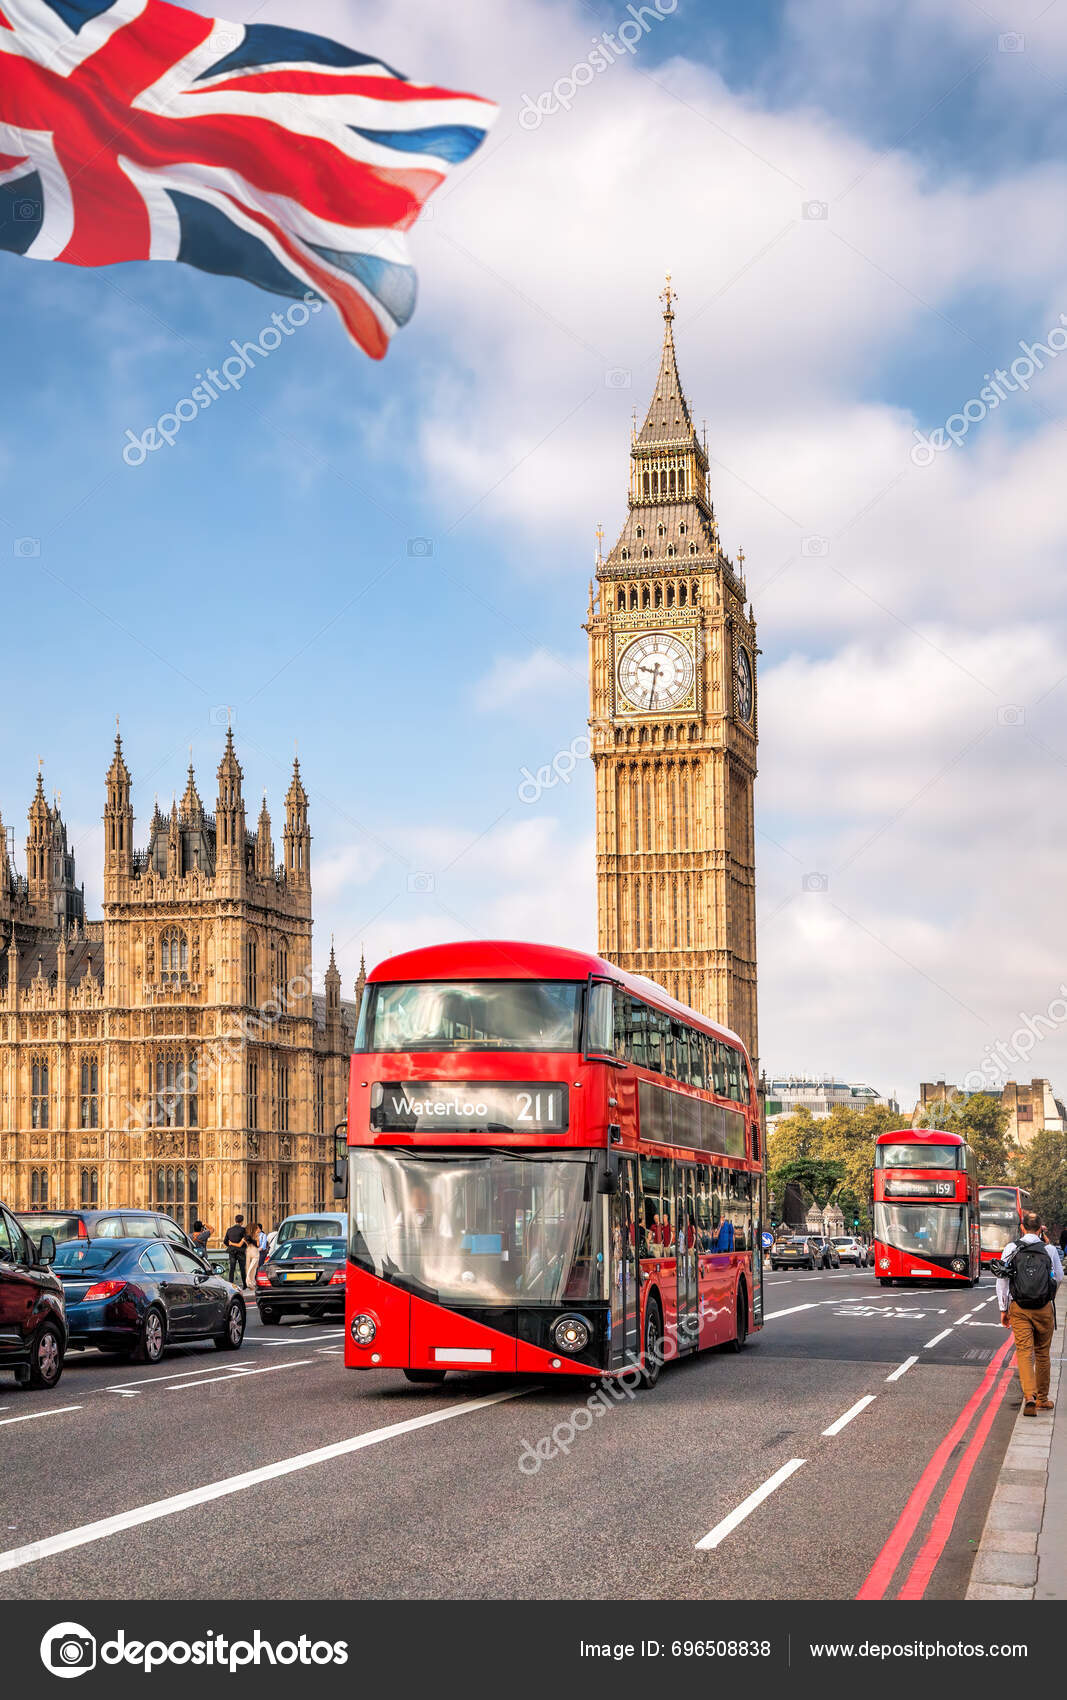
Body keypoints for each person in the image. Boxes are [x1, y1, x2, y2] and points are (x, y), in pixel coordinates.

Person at [997, 1209, 1059, 1415]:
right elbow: (1058, 1276)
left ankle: (1029, 1397)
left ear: (1022, 1227)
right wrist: (1048, 1296)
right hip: (1043, 1308)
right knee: (1042, 1353)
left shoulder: (1011, 1248)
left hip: (1020, 1308)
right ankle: (1042, 1399)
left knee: (1024, 1352)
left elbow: (1002, 1280)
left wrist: (1003, 1308)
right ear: (1041, 1229)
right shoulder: (1049, 1250)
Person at [223, 1214, 248, 1288]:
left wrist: (231, 1245)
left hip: (232, 1251)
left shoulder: (229, 1230)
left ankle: (230, 1284)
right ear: (242, 1221)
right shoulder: (243, 1230)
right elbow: (246, 1240)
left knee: (232, 1269)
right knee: (242, 1269)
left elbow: (225, 1241)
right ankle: (245, 1285)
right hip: (241, 1251)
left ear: (235, 1220)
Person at [245, 1221, 263, 1288]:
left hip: (249, 1250)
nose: (259, 1230)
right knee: (253, 1268)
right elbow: (258, 1245)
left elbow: (246, 1243)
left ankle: (249, 1282)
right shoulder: (256, 1235)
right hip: (255, 1252)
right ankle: (251, 1282)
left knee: (249, 1267)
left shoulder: (247, 1235)